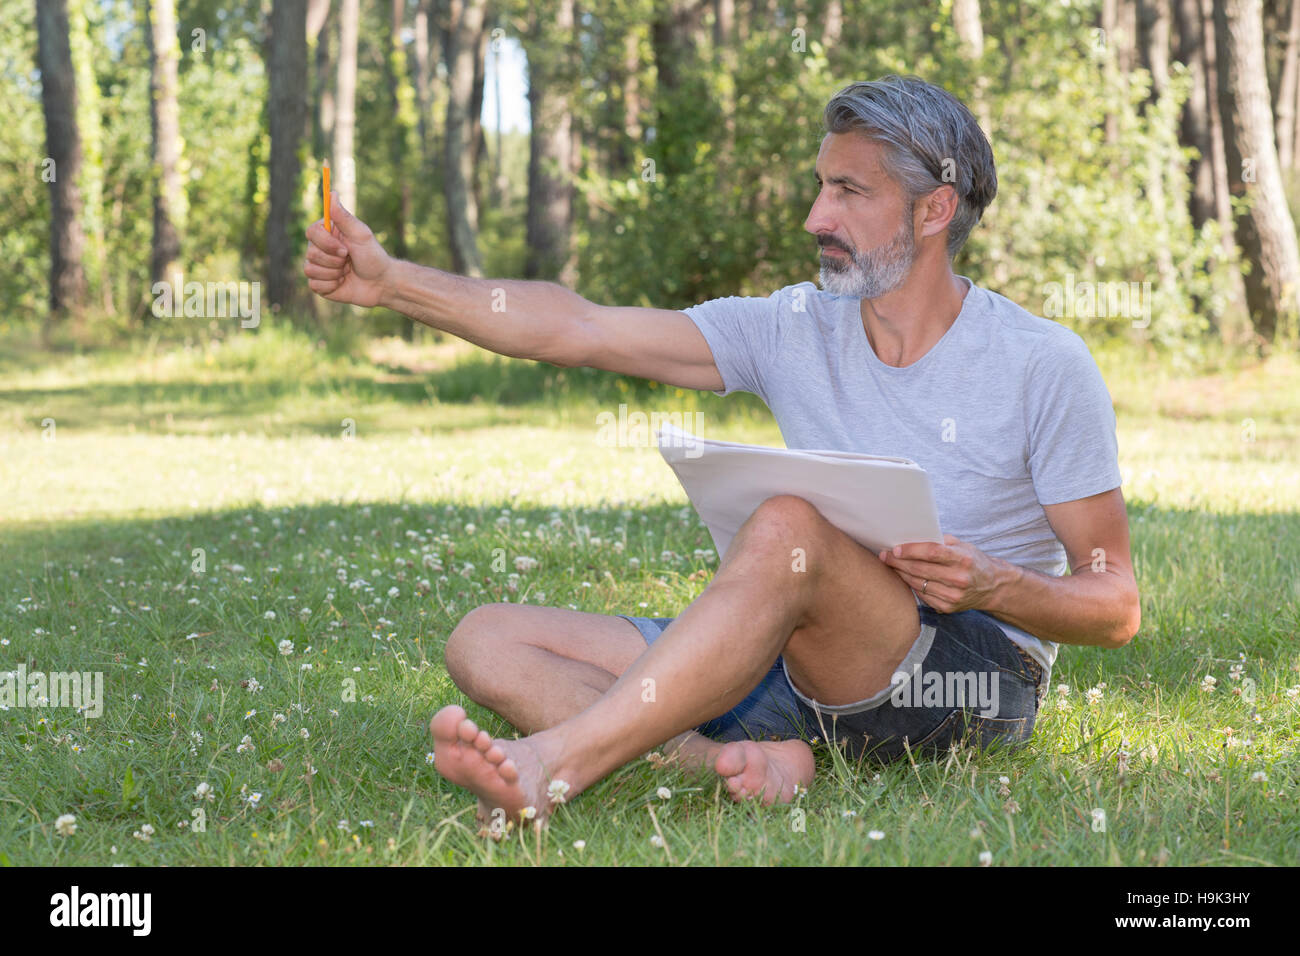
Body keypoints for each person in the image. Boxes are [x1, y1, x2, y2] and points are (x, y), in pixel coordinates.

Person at [303, 75, 1139, 828]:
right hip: (808, 655)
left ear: (933, 210)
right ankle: (740, 765)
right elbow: (577, 325)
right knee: (486, 641)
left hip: (965, 678)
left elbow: (1116, 604)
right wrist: (388, 283)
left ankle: (551, 765)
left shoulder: (1040, 364)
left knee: (785, 524)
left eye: (849, 191)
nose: (817, 217)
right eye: (820, 186)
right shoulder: (792, 327)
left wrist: (994, 581)